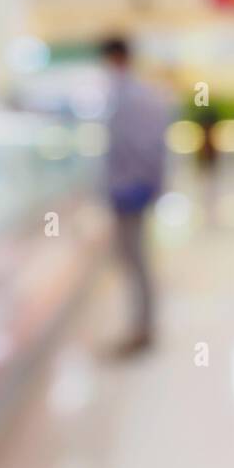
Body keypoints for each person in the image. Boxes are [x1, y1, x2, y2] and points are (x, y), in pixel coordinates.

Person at [100, 36, 169, 354]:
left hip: (129, 190)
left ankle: (142, 329)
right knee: (135, 260)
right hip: (135, 188)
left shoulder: (127, 97)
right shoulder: (142, 94)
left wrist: (138, 183)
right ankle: (143, 325)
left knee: (134, 261)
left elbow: (136, 147)